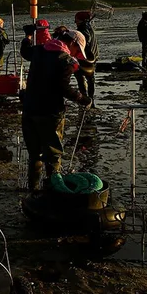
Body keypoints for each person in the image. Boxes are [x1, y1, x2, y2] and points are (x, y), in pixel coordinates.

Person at [21, 30, 91, 191]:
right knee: (53, 155)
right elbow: (64, 89)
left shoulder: (39, 50)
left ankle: (33, 191)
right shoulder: (66, 61)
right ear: (72, 43)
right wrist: (83, 99)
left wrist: (28, 37)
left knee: (35, 155)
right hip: (50, 112)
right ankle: (54, 191)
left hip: (30, 110)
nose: (76, 54)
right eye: (77, 50)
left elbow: (25, 51)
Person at [74, 11, 98, 98]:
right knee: (91, 79)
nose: (75, 22)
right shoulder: (90, 28)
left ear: (80, 20)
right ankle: (90, 98)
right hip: (93, 56)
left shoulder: (83, 30)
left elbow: (86, 40)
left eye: (76, 20)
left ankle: (84, 97)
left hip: (85, 58)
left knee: (80, 78)